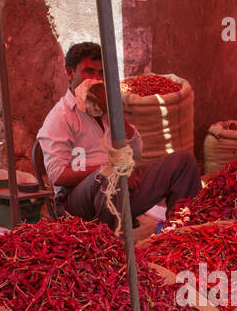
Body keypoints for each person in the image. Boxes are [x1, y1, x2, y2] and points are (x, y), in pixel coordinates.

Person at [37, 42, 201, 230]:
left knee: (183, 162)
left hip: (119, 186)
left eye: (101, 74)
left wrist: (112, 113)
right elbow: (58, 175)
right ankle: (109, 248)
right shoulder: (61, 117)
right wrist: (111, 169)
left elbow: (137, 151)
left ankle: (184, 234)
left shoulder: (104, 108)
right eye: (88, 72)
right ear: (70, 73)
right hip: (75, 201)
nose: (96, 79)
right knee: (106, 179)